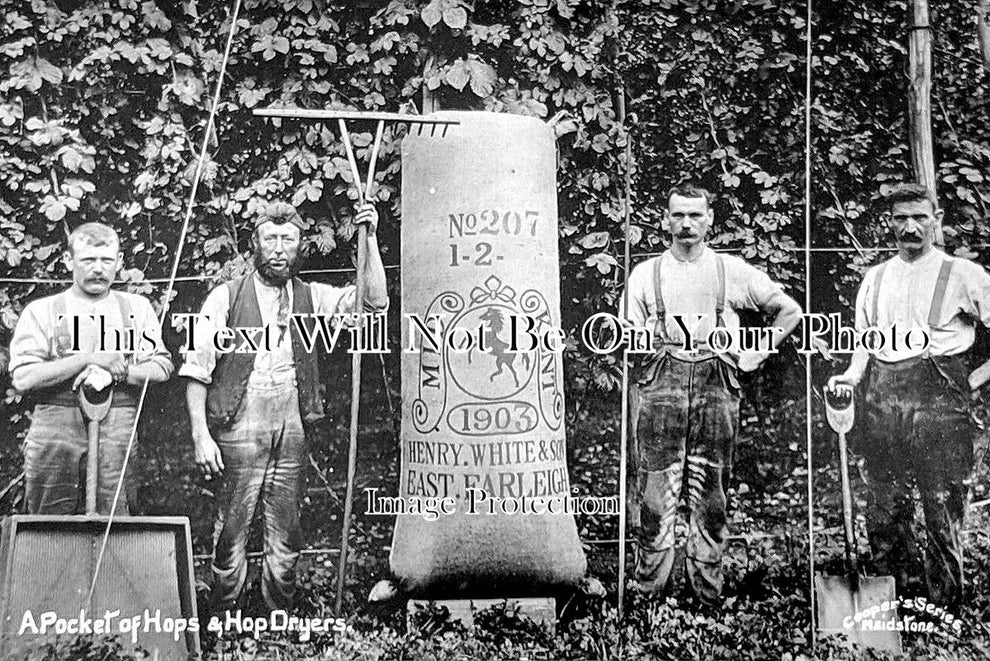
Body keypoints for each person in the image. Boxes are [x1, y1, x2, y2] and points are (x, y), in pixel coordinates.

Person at [180, 201, 388, 613]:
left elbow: (373, 304)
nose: (278, 248)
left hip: (291, 420)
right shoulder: (226, 297)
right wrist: (201, 435)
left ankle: (279, 611)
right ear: (254, 244)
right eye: (270, 239)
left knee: (286, 526)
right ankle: (226, 612)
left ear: (299, 247)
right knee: (232, 527)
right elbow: (195, 370)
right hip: (240, 420)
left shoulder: (311, 296)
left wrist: (372, 238)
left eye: (287, 240)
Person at [621, 184, 802, 604]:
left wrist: (758, 350)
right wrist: (641, 343)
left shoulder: (730, 271)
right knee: (654, 493)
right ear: (665, 219)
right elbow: (626, 335)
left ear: (710, 220)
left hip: (717, 384)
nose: (686, 224)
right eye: (678, 215)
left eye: (695, 216)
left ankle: (706, 598)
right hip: (660, 385)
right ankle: (648, 597)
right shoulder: (645, 274)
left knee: (711, 491)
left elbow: (788, 310)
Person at [827, 183, 990, 608]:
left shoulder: (962, 274)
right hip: (882, 397)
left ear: (937, 220)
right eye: (901, 218)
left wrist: (973, 380)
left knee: (942, 501)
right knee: (884, 501)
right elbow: (864, 340)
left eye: (920, 217)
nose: (910, 227)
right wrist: (850, 375)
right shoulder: (875, 278)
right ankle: (892, 595)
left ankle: (943, 603)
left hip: (939, 401)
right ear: (890, 223)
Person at [8, 222, 173, 514]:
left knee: (116, 519)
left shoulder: (137, 308)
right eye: (87, 260)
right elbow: (23, 377)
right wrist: (88, 359)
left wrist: (116, 372)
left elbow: (161, 366)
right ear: (70, 261)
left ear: (119, 262)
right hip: (55, 428)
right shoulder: (42, 311)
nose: (98, 269)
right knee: (49, 522)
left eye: (106, 261)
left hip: (118, 424)